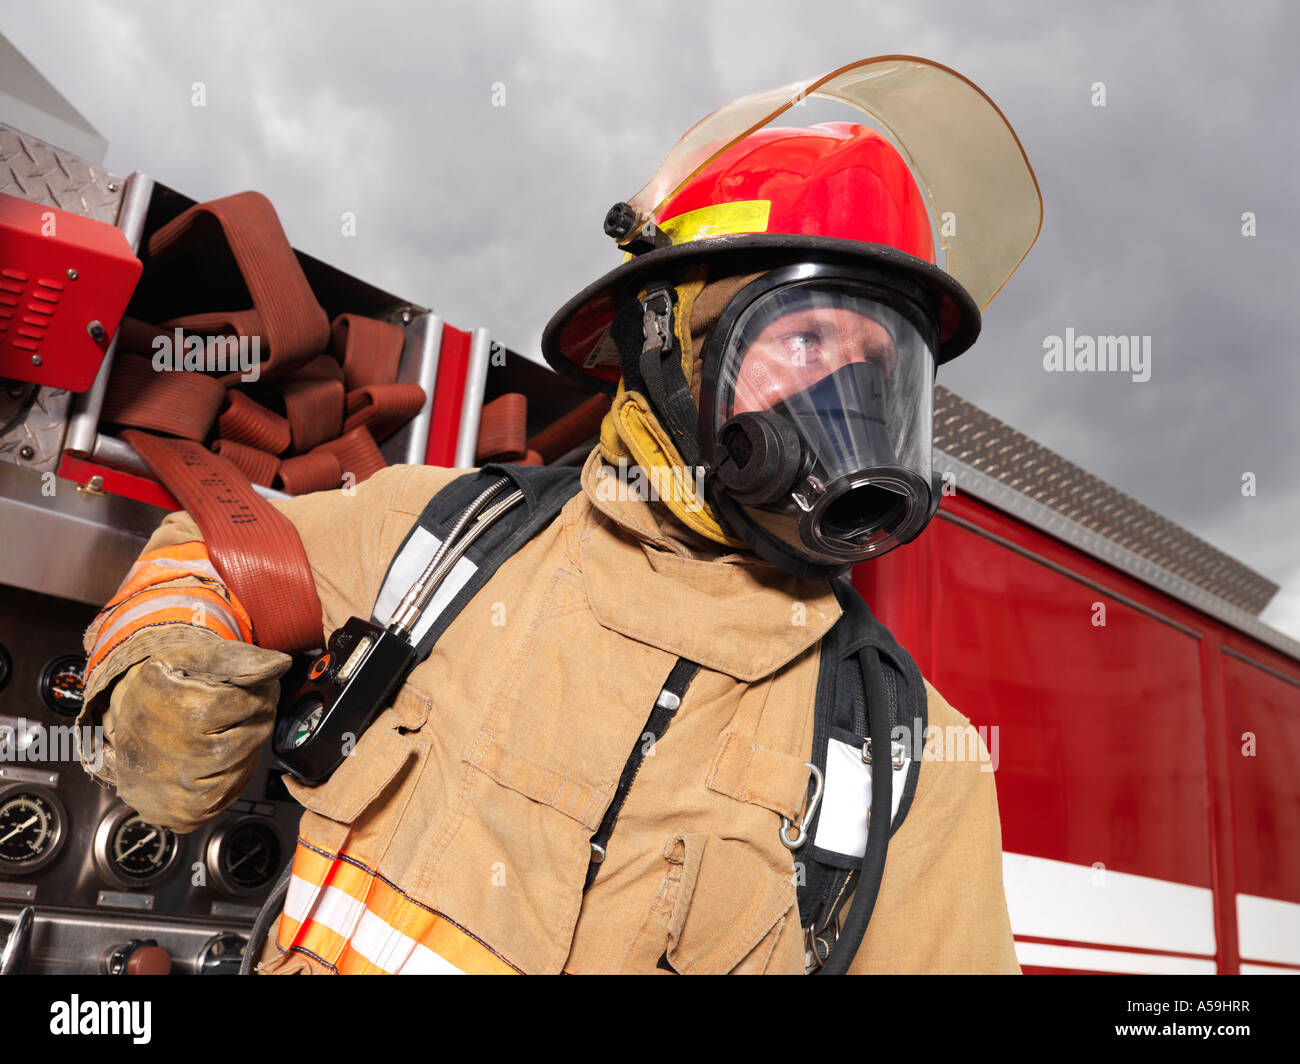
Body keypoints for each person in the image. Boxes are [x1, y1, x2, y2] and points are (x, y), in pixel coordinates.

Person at [77, 57, 1041, 974]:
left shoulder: (903, 763)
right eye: (808, 335)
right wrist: (169, 661)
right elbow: (209, 555)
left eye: (877, 367)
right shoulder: (440, 537)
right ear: (671, 345)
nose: (844, 396)